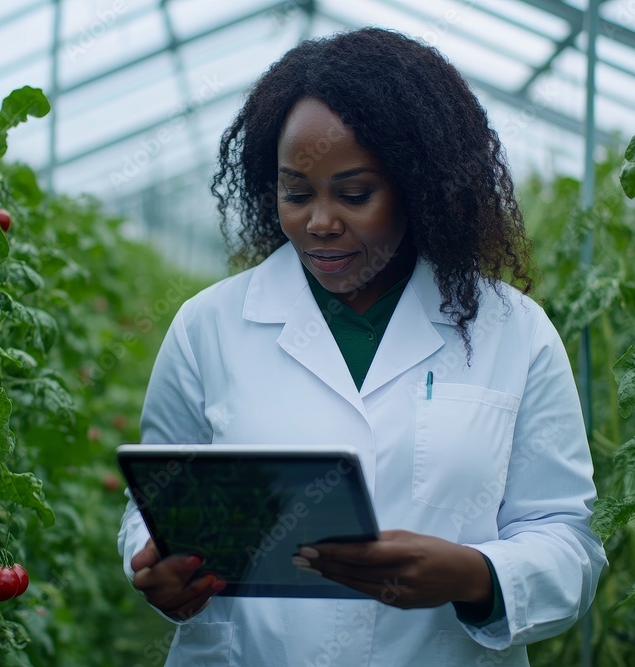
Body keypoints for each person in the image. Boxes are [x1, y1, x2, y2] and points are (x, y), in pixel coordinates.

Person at [117, 27, 606, 666]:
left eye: (355, 194)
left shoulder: (513, 331)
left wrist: (474, 575)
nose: (319, 221)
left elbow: (567, 538)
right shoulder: (207, 326)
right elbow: (153, 503)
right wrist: (155, 566)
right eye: (296, 193)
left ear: (421, 187)